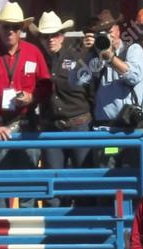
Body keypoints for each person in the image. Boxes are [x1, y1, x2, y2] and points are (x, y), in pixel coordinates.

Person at [0, 1, 52, 209]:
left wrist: (31, 97)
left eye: (15, 27)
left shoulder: (34, 52)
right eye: (6, 26)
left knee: (29, 180)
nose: (10, 31)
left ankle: (27, 230)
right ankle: (0, 232)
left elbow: (45, 86)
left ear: (21, 29)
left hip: (26, 123)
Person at [32, 10, 93, 203]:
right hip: (51, 128)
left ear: (62, 35)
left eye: (54, 35)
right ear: (40, 38)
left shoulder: (79, 58)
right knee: (53, 185)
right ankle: (56, 230)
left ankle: (84, 229)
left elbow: (92, 92)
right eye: (45, 36)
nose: (50, 39)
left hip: (79, 126)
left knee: (83, 183)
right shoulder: (36, 61)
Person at [72, 9, 143, 131]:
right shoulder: (93, 56)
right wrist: (84, 53)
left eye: (109, 31)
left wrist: (110, 58)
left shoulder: (132, 49)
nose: (106, 36)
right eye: (100, 33)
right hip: (102, 127)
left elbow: (134, 77)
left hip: (129, 127)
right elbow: (75, 82)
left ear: (118, 30)